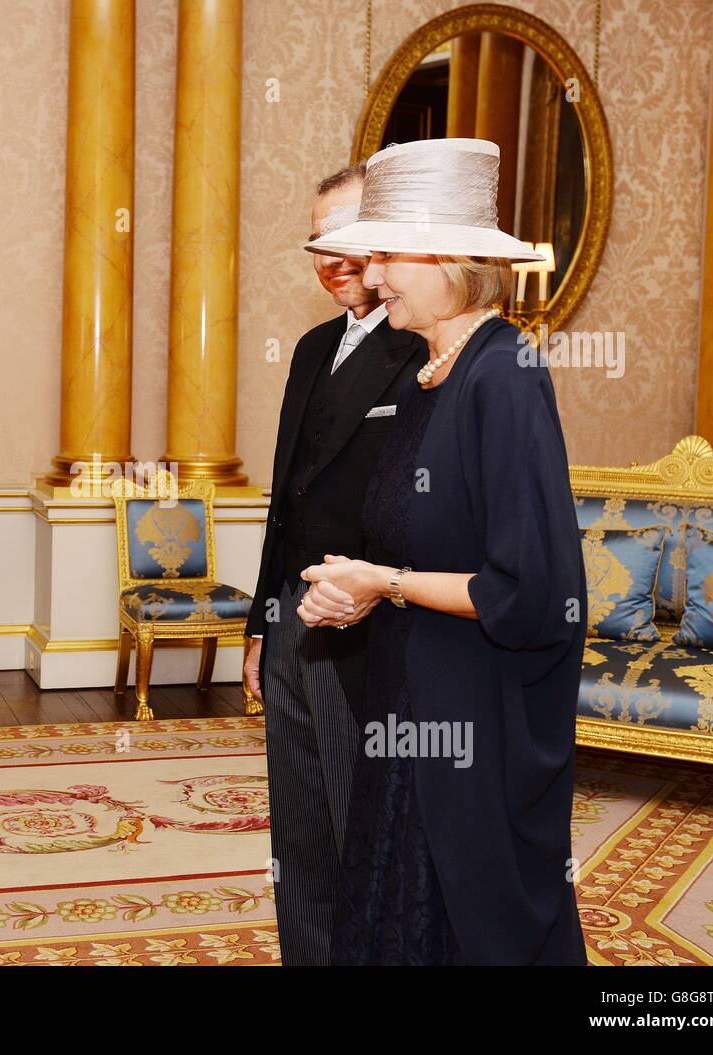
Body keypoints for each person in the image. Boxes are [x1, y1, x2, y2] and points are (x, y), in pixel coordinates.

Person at [300, 137, 588, 965]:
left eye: (386, 253)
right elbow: (415, 546)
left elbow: (529, 592)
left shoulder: (506, 377)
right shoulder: (425, 376)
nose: (372, 274)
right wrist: (363, 589)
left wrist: (383, 580)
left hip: (473, 726)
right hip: (408, 704)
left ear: (451, 258)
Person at [245, 163, 427, 964]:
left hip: (366, 630)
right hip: (291, 622)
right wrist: (259, 627)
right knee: (302, 833)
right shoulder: (313, 348)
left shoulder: (423, 347)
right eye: (320, 240)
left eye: (349, 236)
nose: (332, 257)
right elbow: (283, 497)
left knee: (364, 828)